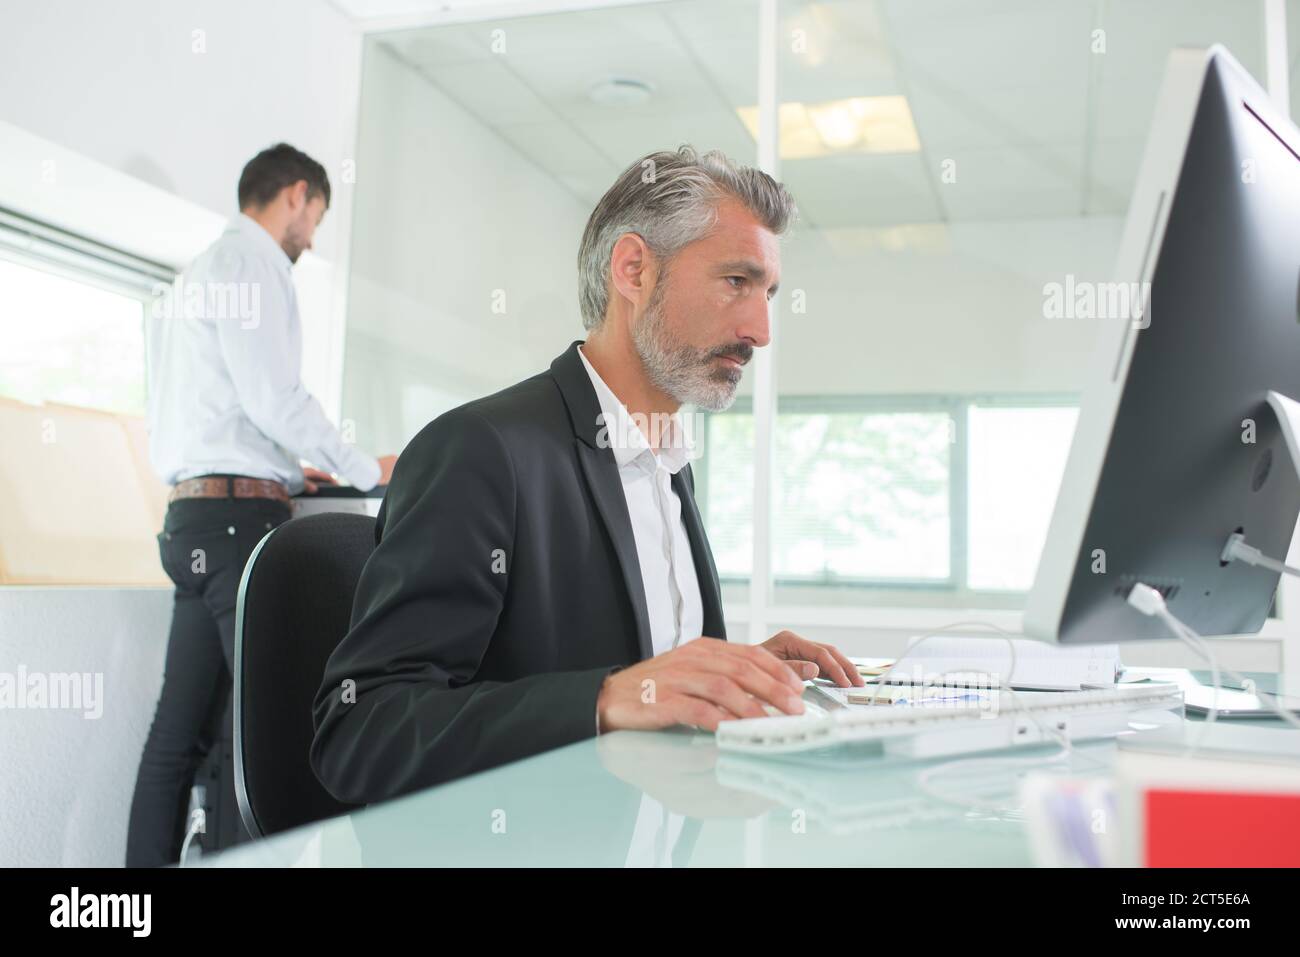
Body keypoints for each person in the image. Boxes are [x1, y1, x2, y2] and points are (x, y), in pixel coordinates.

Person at [310, 145, 863, 807]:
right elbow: (361, 729)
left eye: (768, 292)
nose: (760, 329)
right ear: (634, 269)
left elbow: (637, 670)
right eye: (736, 281)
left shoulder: (668, 465)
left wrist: (726, 676)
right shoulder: (481, 451)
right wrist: (603, 700)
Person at [128, 143, 397, 866]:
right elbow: (275, 396)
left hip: (192, 522)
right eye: (315, 217)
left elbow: (226, 410)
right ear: (297, 196)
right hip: (235, 524)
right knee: (281, 732)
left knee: (179, 736)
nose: (311, 235)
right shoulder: (253, 265)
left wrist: (287, 467)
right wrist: (361, 467)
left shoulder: (196, 273)